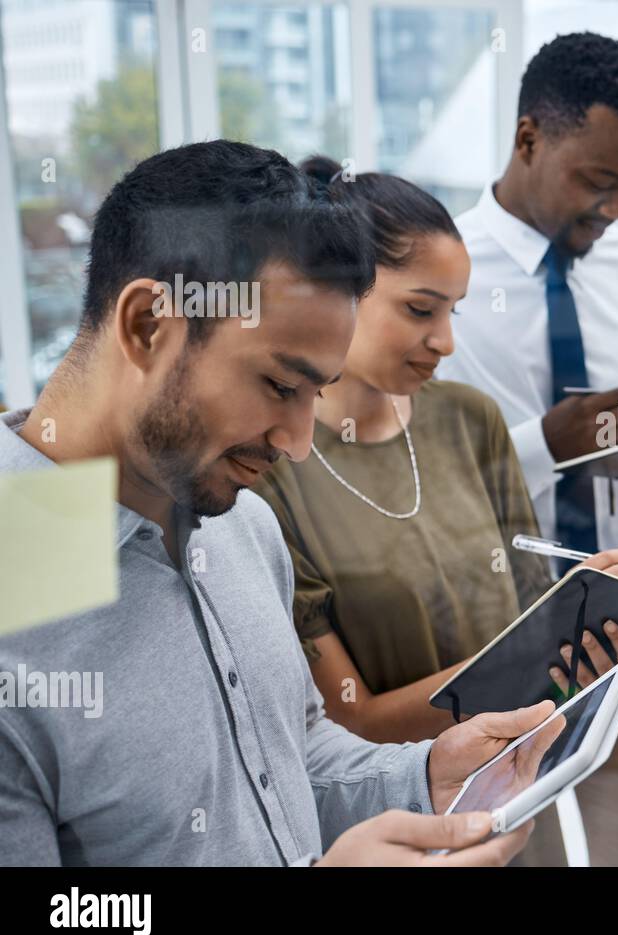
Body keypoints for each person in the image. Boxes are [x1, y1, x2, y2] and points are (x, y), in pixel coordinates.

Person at [0, 140, 549, 866]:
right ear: (146, 327)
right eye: (280, 386)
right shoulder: (20, 582)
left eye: (316, 393)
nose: (296, 443)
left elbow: (288, 756)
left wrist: (420, 776)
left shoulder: (243, 526)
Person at [252, 158, 618, 867]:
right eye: (420, 310)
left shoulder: (469, 421)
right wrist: (529, 661)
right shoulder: (270, 472)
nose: (446, 341)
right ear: (337, 292)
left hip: (519, 797)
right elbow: (346, 718)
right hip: (393, 832)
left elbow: (533, 619)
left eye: (454, 311)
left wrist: (590, 636)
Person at [436, 31, 618, 866]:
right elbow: (417, 476)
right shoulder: (437, 275)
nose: (617, 205)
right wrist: (546, 447)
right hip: (497, 639)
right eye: (598, 180)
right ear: (528, 139)